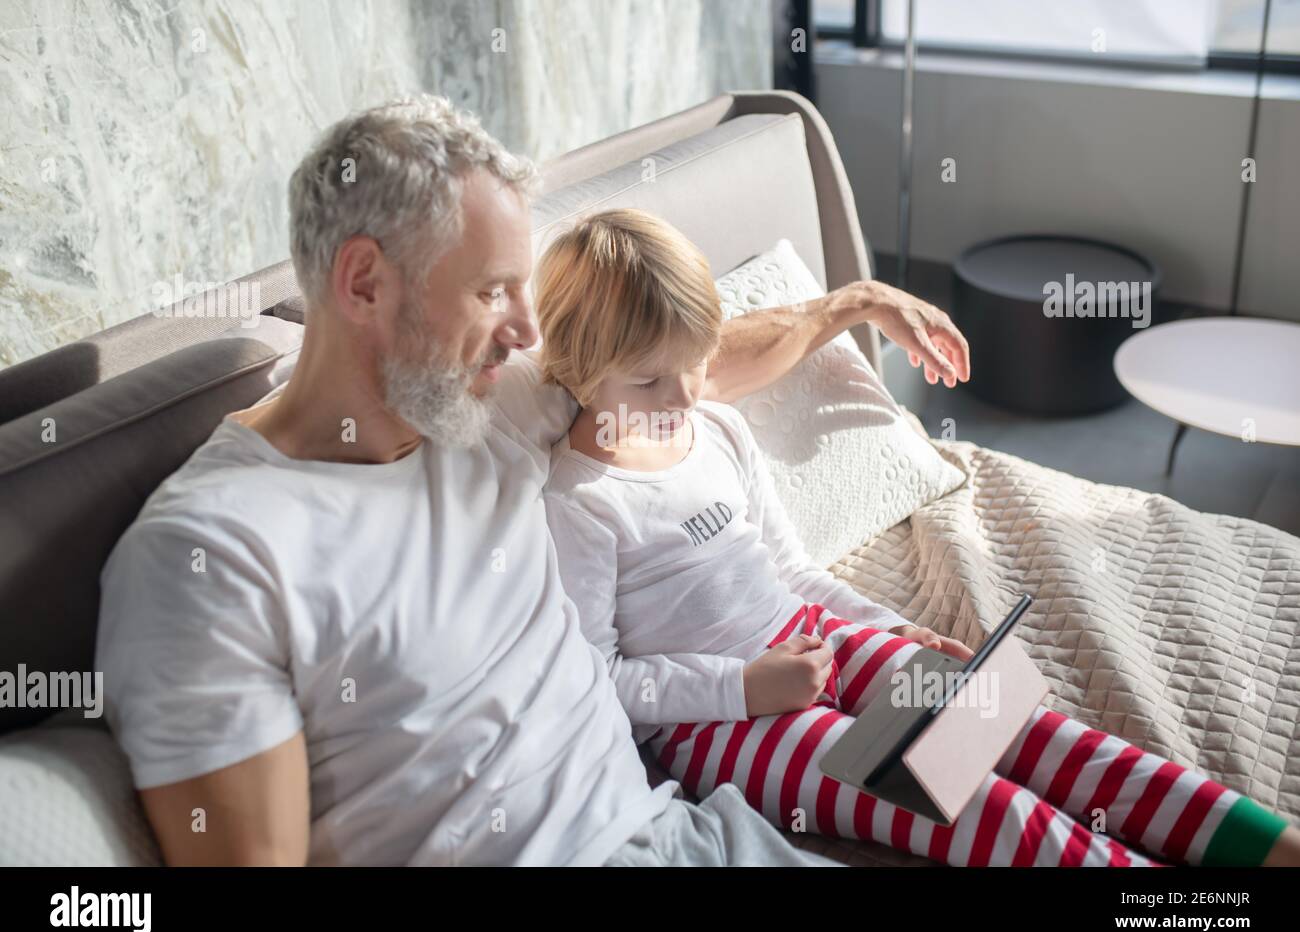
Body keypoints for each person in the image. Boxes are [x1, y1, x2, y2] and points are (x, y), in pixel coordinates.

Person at [93, 94, 970, 866]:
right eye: (494, 291)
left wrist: (843, 306)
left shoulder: (478, 400)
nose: (525, 331)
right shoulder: (210, 555)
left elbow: (666, 373)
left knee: (989, 764)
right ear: (363, 282)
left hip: (690, 838)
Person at [536, 208, 1300, 867]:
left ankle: (1273, 847)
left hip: (811, 636)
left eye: (695, 366)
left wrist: (886, 625)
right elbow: (599, 681)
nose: (683, 398)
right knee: (975, 805)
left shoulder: (721, 429)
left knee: (1030, 733)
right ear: (576, 369)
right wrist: (745, 689)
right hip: (715, 726)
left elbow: (790, 569)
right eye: (648, 382)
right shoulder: (579, 501)